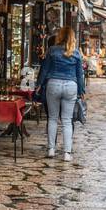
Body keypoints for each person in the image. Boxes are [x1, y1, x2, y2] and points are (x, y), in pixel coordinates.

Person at [37, 26, 86, 162]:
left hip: (53, 84)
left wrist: (39, 85)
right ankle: (67, 153)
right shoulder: (76, 53)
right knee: (66, 121)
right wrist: (81, 91)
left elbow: (44, 70)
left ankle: (51, 149)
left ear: (59, 36)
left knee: (52, 118)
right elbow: (79, 75)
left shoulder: (52, 50)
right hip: (71, 86)